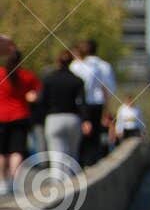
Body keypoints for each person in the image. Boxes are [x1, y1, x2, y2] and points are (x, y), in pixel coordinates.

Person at [0, 37, 41, 192]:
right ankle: (13, 180)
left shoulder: (0, 74)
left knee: (2, 151)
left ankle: (3, 182)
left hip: (1, 116)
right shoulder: (28, 76)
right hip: (20, 116)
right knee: (16, 150)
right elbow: (35, 96)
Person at [69, 39, 115, 165]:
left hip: (78, 105)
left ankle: (81, 163)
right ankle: (91, 162)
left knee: (80, 138)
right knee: (94, 138)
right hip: (96, 104)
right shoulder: (102, 66)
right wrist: (107, 110)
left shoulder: (74, 66)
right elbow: (107, 89)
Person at [39, 50, 89, 165]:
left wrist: (42, 119)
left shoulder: (48, 79)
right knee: (72, 156)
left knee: (57, 158)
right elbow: (82, 102)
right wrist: (86, 119)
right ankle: (72, 181)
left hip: (53, 119)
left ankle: (58, 181)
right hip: (73, 118)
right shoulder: (77, 80)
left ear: (57, 61)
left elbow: (43, 101)